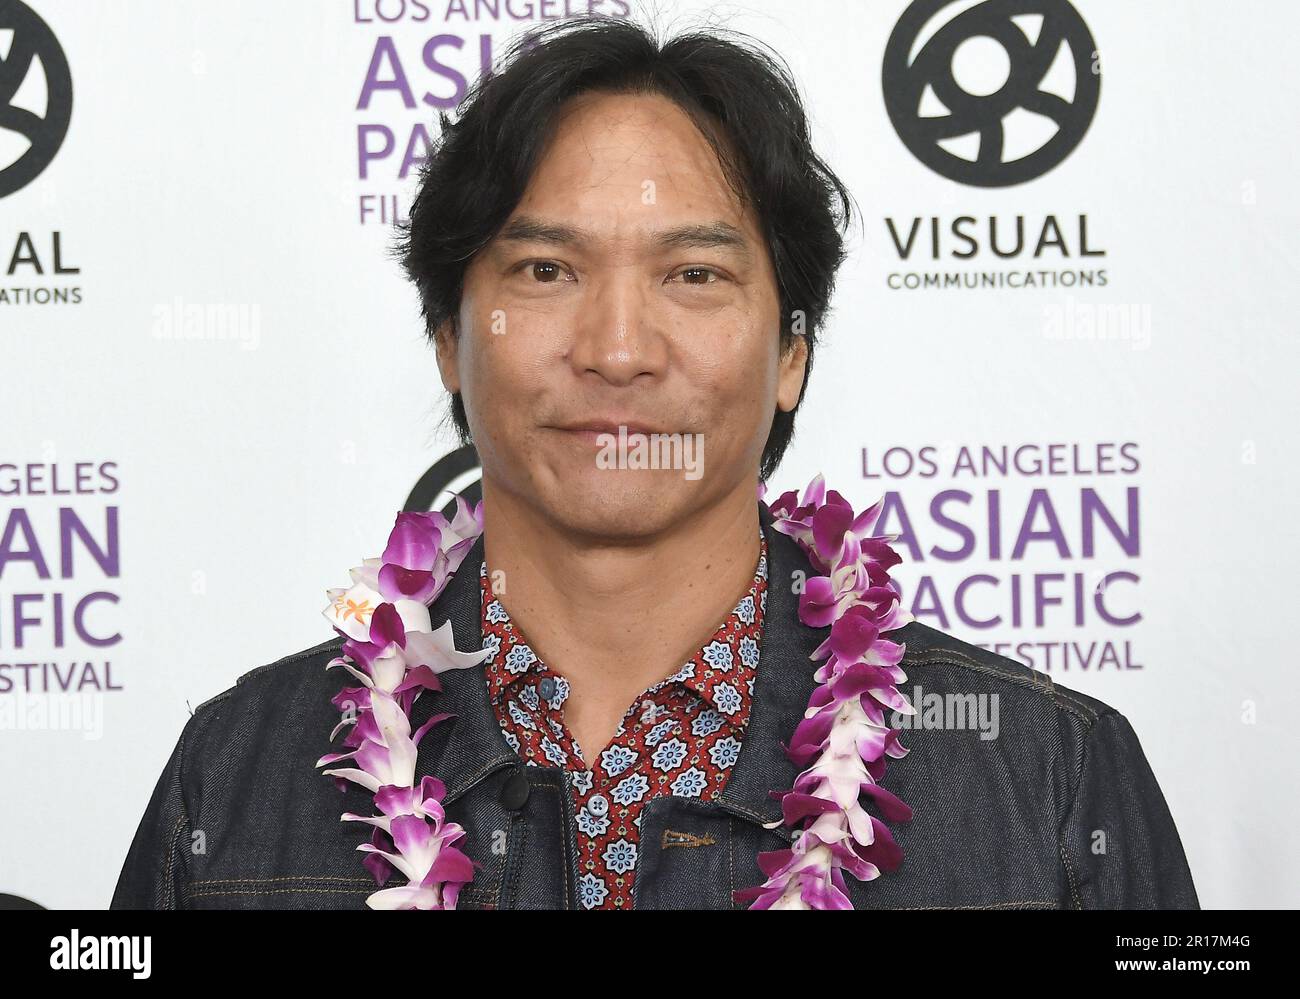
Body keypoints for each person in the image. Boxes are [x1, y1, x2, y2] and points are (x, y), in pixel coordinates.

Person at [111, 16, 1198, 910]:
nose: (617, 350)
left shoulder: (1043, 778)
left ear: (791, 354)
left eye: (693, 275)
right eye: (544, 269)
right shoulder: (242, 775)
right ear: (447, 335)